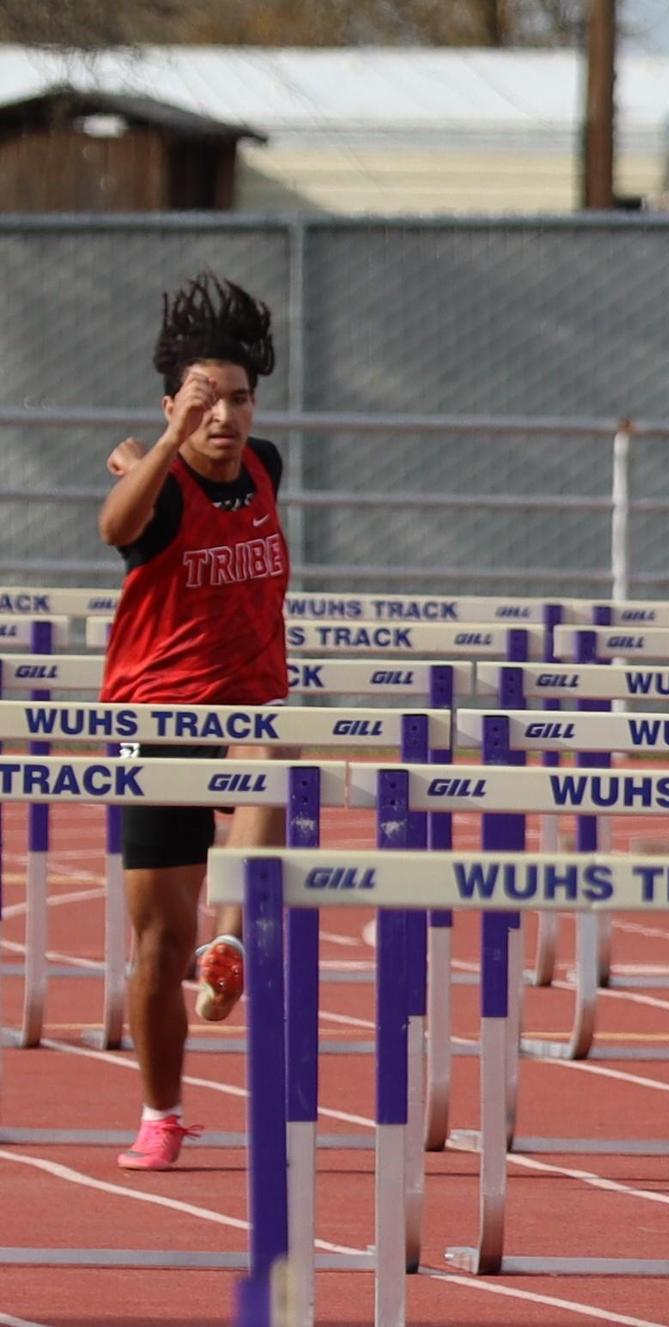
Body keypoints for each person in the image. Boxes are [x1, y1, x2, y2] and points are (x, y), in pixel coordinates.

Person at [97, 272, 293, 1172]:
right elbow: (114, 526)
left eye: (239, 399)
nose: (226, 417)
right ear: (174, 403)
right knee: (153, 942)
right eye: (205, 401)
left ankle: (231, 936)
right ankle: (161, 1111)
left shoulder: (266, 467)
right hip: (157, 716)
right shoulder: (163, 488)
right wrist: (157, 452)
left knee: (276, 747)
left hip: (243, 703)